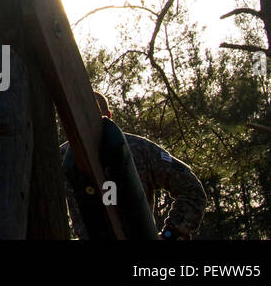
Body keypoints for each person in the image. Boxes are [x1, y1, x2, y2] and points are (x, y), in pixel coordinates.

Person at [61, 92, 207, 239]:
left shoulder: (139, 149)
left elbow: (191, 190)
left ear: (109, 117)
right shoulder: (62, 157)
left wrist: (170, 234)